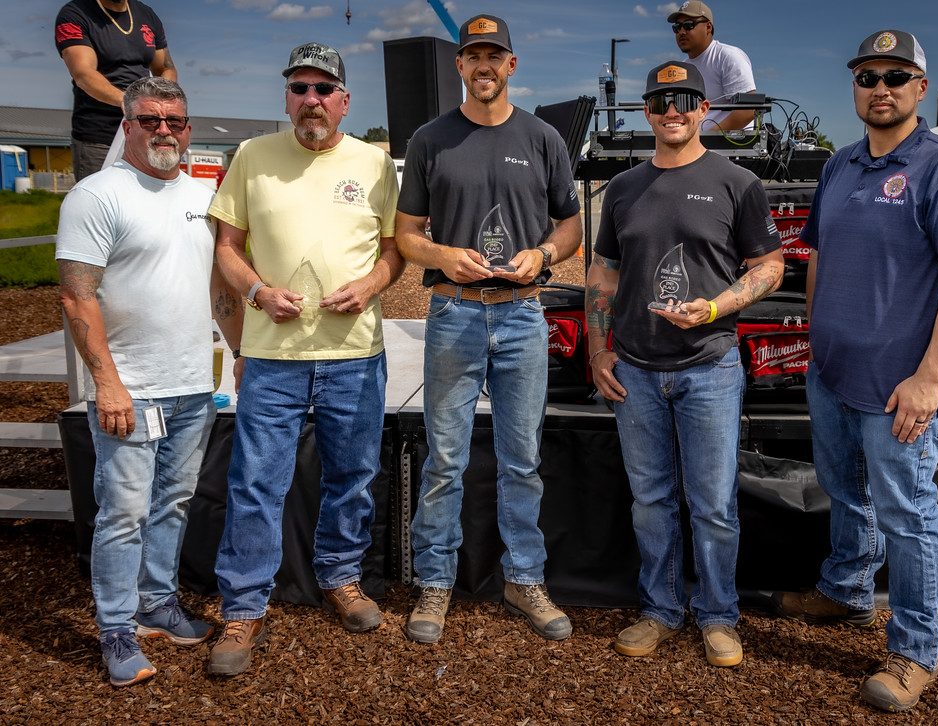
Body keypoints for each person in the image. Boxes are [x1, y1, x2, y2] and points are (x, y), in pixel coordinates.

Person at [770, 30, 938, 712]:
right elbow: (817, 260)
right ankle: (844, 592)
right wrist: (814, 339)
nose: (881, 87)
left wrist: (929, 378)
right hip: (833, 371)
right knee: (844, 489)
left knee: (908, 513)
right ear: (856, 89)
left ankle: (915, 649)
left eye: (897, 75)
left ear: (920, 88)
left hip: (901, 382)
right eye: (868, 76)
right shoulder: (839, 167)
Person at [207, 41, 403, 677]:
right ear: (286, 97)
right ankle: (243, 607)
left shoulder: (375, 164)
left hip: (354, 353)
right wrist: (258, 291)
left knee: (352, 475)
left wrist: (371, 287)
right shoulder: (252, 157)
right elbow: (227, 249)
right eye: (299, 88)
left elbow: (396, 251)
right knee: (257, 483)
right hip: (273, 357)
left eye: (324, 89)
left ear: (345, 101)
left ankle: (340, 578)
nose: (311, 100)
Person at [586, 61, 784, 667]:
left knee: (714, 505)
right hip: (637, 369)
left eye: (685, 100)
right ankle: (662, 609)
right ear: (647, 111)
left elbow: (771, 267)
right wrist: (599, 349)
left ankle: (719, 616)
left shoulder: (737, 182)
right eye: (661, 101)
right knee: (650, 500)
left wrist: (714, 308)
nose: (673, 111)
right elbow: (602, 275)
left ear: (704, 109)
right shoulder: (622, 187)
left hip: (710, 367)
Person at [395, 13, 582, 644]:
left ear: (510, 65)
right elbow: (405, 236)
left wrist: (547, 256)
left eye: (493, 56)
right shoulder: (430, 139)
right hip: (454, 313)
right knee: (445, 458)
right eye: (471, 56)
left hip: (525, 313)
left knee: (521, 458)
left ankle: (524, 577)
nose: (482, 66)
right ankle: (436, 581)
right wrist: (443, 255)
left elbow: (571, 226)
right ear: (459, 66)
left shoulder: (543, 138)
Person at [55, 77, 241, 687]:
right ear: (128, 125)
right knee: (123, 514)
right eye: (150, 120)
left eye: (176, 121)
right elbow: (78, 299)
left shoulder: (200, 195)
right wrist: (105, 384)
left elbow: (216, 289)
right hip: (130, 390)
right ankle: (116, 629)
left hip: (192, 387)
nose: (165, 130)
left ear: (189, 128)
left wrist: (238, 351)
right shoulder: (96, 195)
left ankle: (157, 603)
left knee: (173, 502)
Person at [55, 0, 177, 180]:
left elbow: (165, 68)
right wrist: (130, 102)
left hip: (145, 135)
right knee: (98, 204)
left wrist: (160, 103)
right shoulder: (75, 13)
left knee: (148, 202)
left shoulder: (147, 15)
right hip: (100, 138)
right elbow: (83, 73)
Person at [666, 1, 755, 131]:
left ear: (708, 27)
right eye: (677, 27)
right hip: (694, 144)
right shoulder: (683, 68)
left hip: (731, 146)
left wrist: (705, 139)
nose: (682, 32)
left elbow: (748, 111)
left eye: (689, 25)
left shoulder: (728, 56)